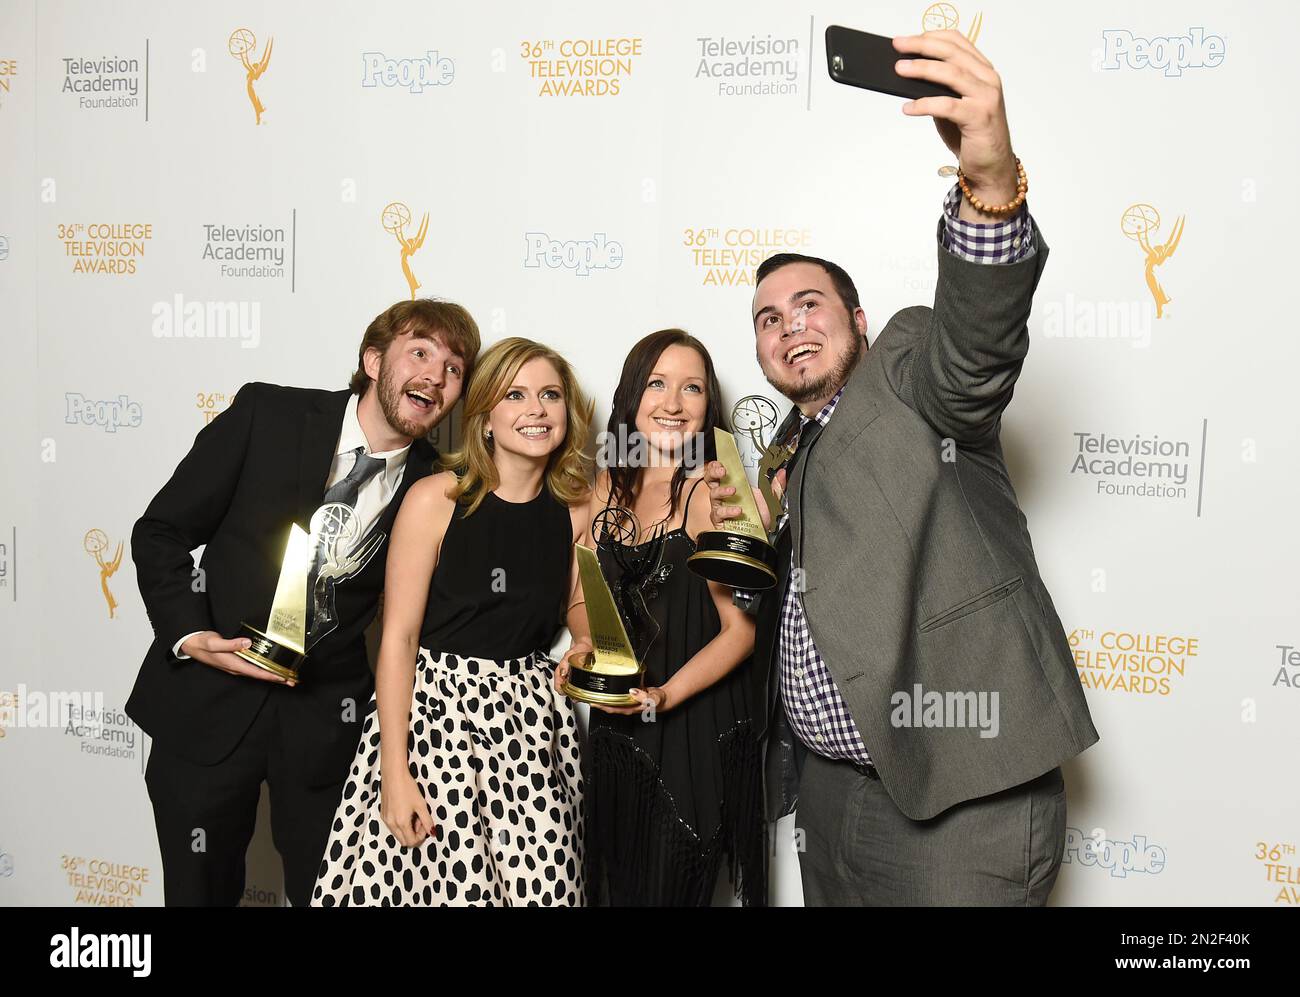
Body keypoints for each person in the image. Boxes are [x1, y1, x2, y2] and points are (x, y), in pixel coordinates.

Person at [706, 30, 1098, 906]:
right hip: (830, 795)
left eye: (809, 304)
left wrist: (990, 186)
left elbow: (974, 358)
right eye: (767, 318)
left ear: (858, 315)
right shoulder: (782, 454)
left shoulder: (907, 370)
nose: (789, 326)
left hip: (960, 795)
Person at [128, 298, 480, 907]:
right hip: (207, 704)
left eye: (453, 368)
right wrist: (189, 635)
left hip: (325, 727)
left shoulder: (436, 487)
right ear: (373, 359)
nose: (434, 375)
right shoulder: (268, 413)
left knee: (328, 897)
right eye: (419, 353)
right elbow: (159, 532)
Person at [312, 338, 593, 906]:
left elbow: (576, 601)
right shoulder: (436, 497)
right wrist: (395, 770)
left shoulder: (578, 506)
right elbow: (399, 638)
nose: (536, 410)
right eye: (515, 395)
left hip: (532, 728)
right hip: (435, 720)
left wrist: (586, 639)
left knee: (546, 891)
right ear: (485, 416)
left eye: (550, 395)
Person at [556, 329, 765, 907]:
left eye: (691, 388)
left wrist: (665, 696)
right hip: (618, 732)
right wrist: (580, 644)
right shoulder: (602, 490)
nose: (673, 403)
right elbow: (581, 593)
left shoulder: (712, 493)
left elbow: (741, 633)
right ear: (631, 396)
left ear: (708, 405)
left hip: (689, 730)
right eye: (657, 383)